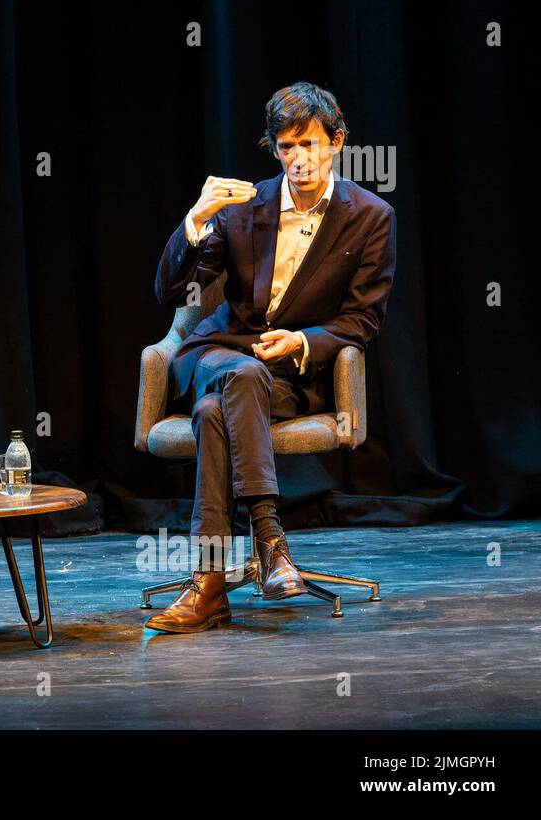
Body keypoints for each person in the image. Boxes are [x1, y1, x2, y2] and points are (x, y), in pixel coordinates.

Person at [146, 82, 397, 634]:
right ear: (275, 149)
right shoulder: (243, 209)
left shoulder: (371, 216)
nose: (299, 159)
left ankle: (209, 585)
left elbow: (362, 321)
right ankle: (271, 539)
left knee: (214, 415)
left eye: (309, 144)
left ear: (336, 142)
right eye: (287, 147)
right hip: (218, 354)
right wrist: (195, 219)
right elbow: (172, 292)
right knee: (239, 374)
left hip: (289, 376)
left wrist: (303, 342)